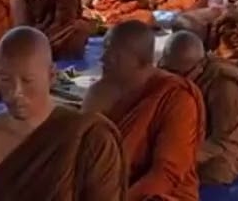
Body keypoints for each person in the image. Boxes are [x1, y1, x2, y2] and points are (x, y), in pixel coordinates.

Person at [0, 27, 125, 200]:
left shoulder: (91, 138)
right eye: (5, 80)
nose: (16, 92)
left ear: (51, 76)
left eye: (27, 80)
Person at [81, 21, 204, 200]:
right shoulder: (98, 92)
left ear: (139, 60)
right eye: (104, 51)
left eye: (114, 55)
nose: (103, 59)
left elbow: (166, 173)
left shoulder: (176, 97)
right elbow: (83, 153)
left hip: (153, 194)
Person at [159, 30, 238, 186]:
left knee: (214, 170)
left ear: (200, 66)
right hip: (180, 137)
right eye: (169, 72)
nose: (174, 80)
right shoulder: (169, 68)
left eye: (181, 75)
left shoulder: (224, 84)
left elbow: (221, 140)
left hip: (216, 147)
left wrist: (178, 157)